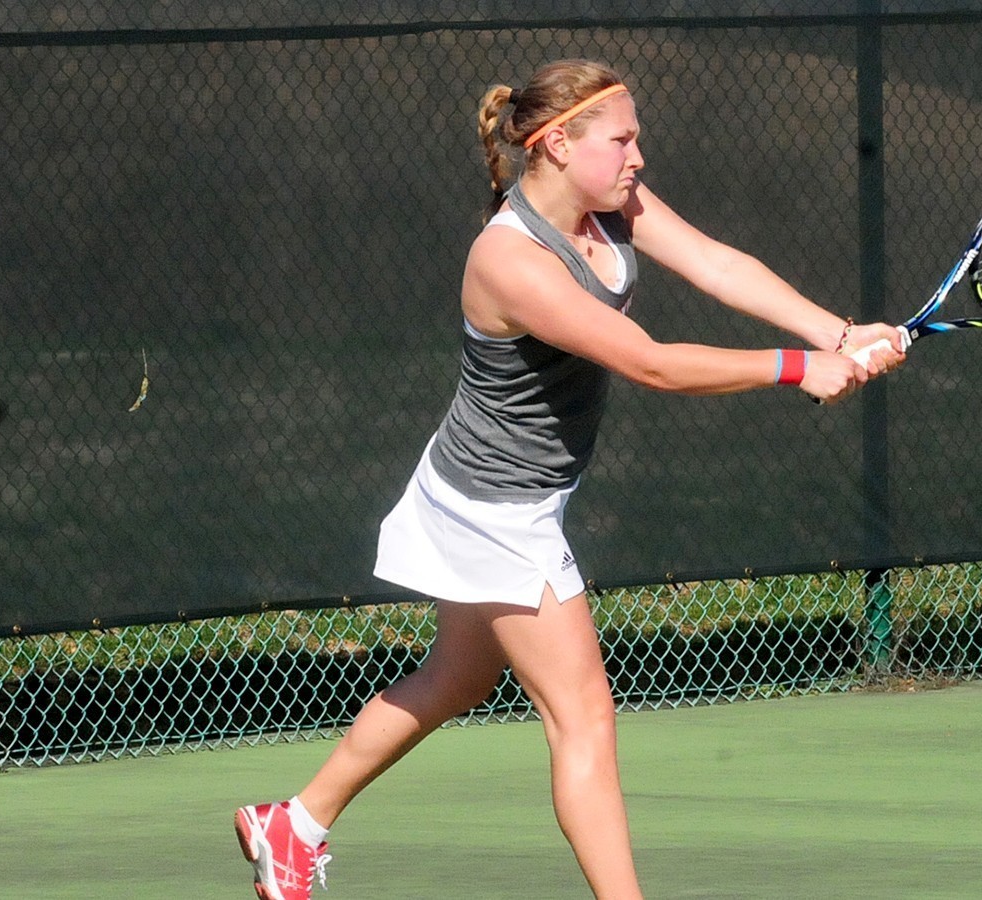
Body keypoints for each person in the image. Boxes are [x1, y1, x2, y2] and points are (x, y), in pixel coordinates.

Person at [233, 58, 907, 900]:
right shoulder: (511, 262)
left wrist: (837, 331)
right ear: (556, 144)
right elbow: (652, 364)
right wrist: (794, 366)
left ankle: (292, 825)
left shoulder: (611, 205)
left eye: (637, 138)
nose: (638, 158)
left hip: (482, 487)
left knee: (460, 677)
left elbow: (711, 261)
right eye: (622, 140)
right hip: (496, 511)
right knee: (582, 718)